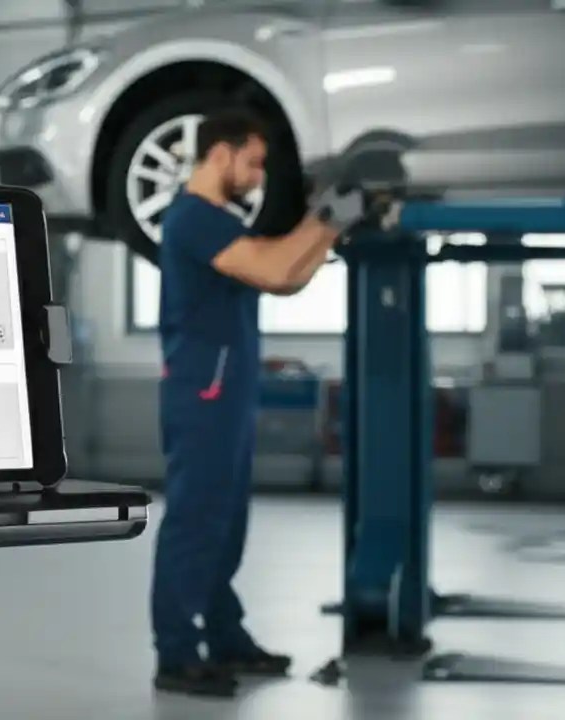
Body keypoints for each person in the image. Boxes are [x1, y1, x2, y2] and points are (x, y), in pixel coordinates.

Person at [150, 106, 354, 697]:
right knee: (196, 519)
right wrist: (330, 215)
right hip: (202, 390)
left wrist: (332, 226)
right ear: (222, 154)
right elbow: (274, 270)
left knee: (226, 521)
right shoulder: (194, 218)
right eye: (255, 162)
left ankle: (225, 635)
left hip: (225, 389)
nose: (260, 175)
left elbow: (289, 271)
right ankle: (176, 652)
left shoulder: (219, 221)